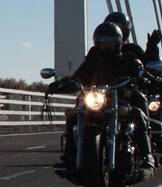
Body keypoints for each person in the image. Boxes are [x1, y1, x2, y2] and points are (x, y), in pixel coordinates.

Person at [56, 18, 154, 173]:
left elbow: (138, 69)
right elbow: (79, 76)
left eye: (110, 42)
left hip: (120, 99)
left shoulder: (127, 58)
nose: (106, 45)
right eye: (102, 42)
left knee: (138, 114)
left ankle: (147, 156)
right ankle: (69, 159)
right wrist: (66, 83)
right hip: (97, 100)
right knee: (74, 117)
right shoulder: (92, 60)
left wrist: (142, 75)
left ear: (118, 42)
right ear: (97, 42)